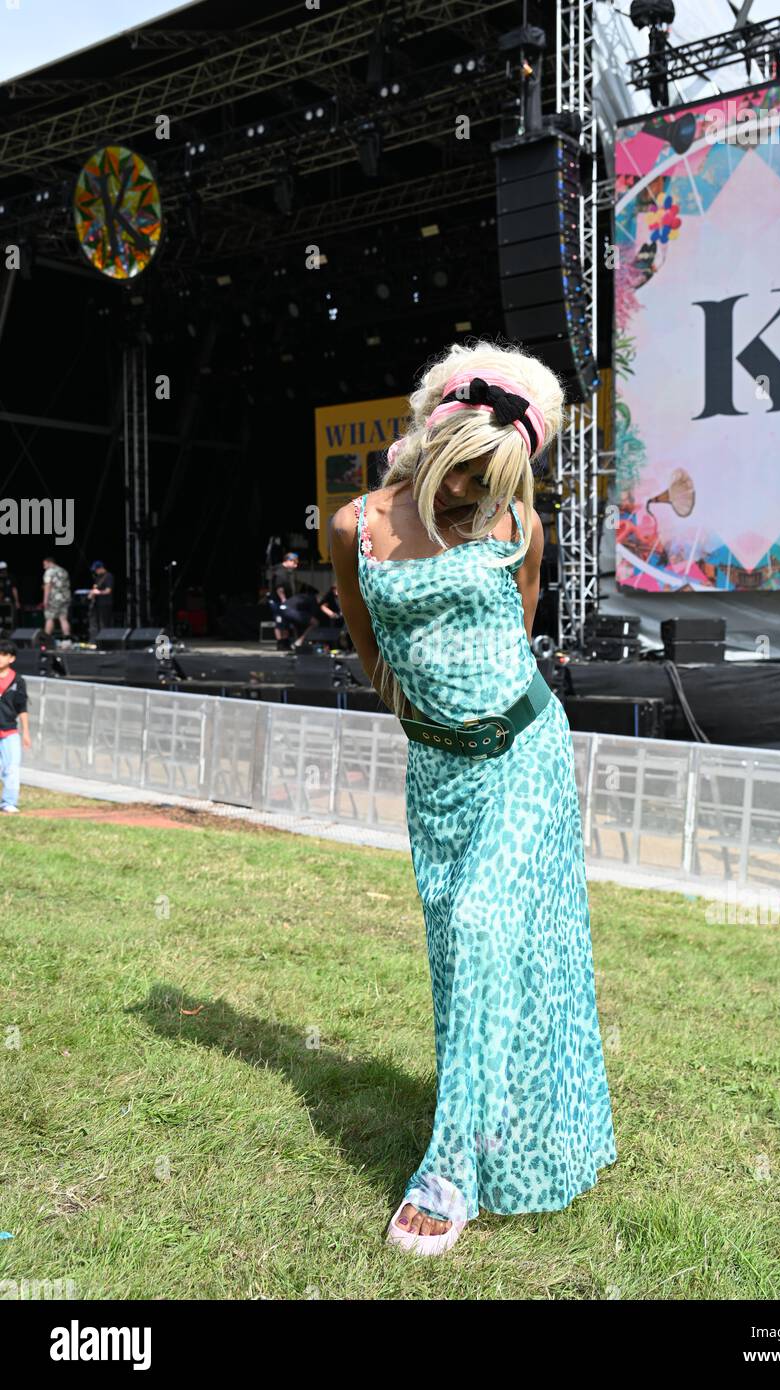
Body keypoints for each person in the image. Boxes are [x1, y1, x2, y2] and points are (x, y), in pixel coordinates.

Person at [329, 341, 616, 1255]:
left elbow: (519, 627)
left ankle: (449, 1166)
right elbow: (367, 640)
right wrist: (415, 702)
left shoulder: (516, 525)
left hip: (523, 753)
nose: (472, 498)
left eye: (495, 482)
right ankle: (503, 1120)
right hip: (437, 773)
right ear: (432, 440)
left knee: (489, 925)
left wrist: (484, 708)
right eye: (463, 476)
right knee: (462, 955)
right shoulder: (356, 527)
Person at [0, 639, 30, 813]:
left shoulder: (18, 681)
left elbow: (22, 707)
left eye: (3, 655)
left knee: (12, 767)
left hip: (9, 730)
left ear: (11, 659)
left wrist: (26, 731)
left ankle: (9, 802)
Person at [268, 551, 318, 650]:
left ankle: (285, 642)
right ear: (288, 560)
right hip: (279, 601)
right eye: (294, 563)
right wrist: (284, 600)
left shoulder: (288, 572)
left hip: (286, 601)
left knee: (285, 622)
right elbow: (279, 588)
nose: (296, 566)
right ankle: (280, 643)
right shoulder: (280, 572)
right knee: (280, 621)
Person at [41, 557, 71, 640]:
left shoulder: (49, 571)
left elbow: (48, 586)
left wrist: (45, 600)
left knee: (49, 618)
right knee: (63, 618)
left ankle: (46, 640)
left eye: (44, 564)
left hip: (54, 599)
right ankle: (67, 639)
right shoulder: (63, 571)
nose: (44, 567)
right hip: (65, 598)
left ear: (49, 562)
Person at [88, 560, 115, 638]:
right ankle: (95, 639)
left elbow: (108, 591)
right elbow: (95, 588)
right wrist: (91, 594)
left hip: (105, 603)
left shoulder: (108, 576)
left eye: (96, 570)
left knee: (104, 623)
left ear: (101, 568)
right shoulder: (98, 577)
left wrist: (98, 592)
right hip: (97, 604)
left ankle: (105, 639)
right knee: (95, 623)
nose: (95, 572)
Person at [0, 561, 19, 631]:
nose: (2, 571)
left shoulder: (11, 577)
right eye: (1, 570)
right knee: (2, 618)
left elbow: (14, 589)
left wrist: (17, 601)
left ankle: (12, 631)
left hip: (11, 601)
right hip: (1, 602)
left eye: (3, 569)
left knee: (12, 617)